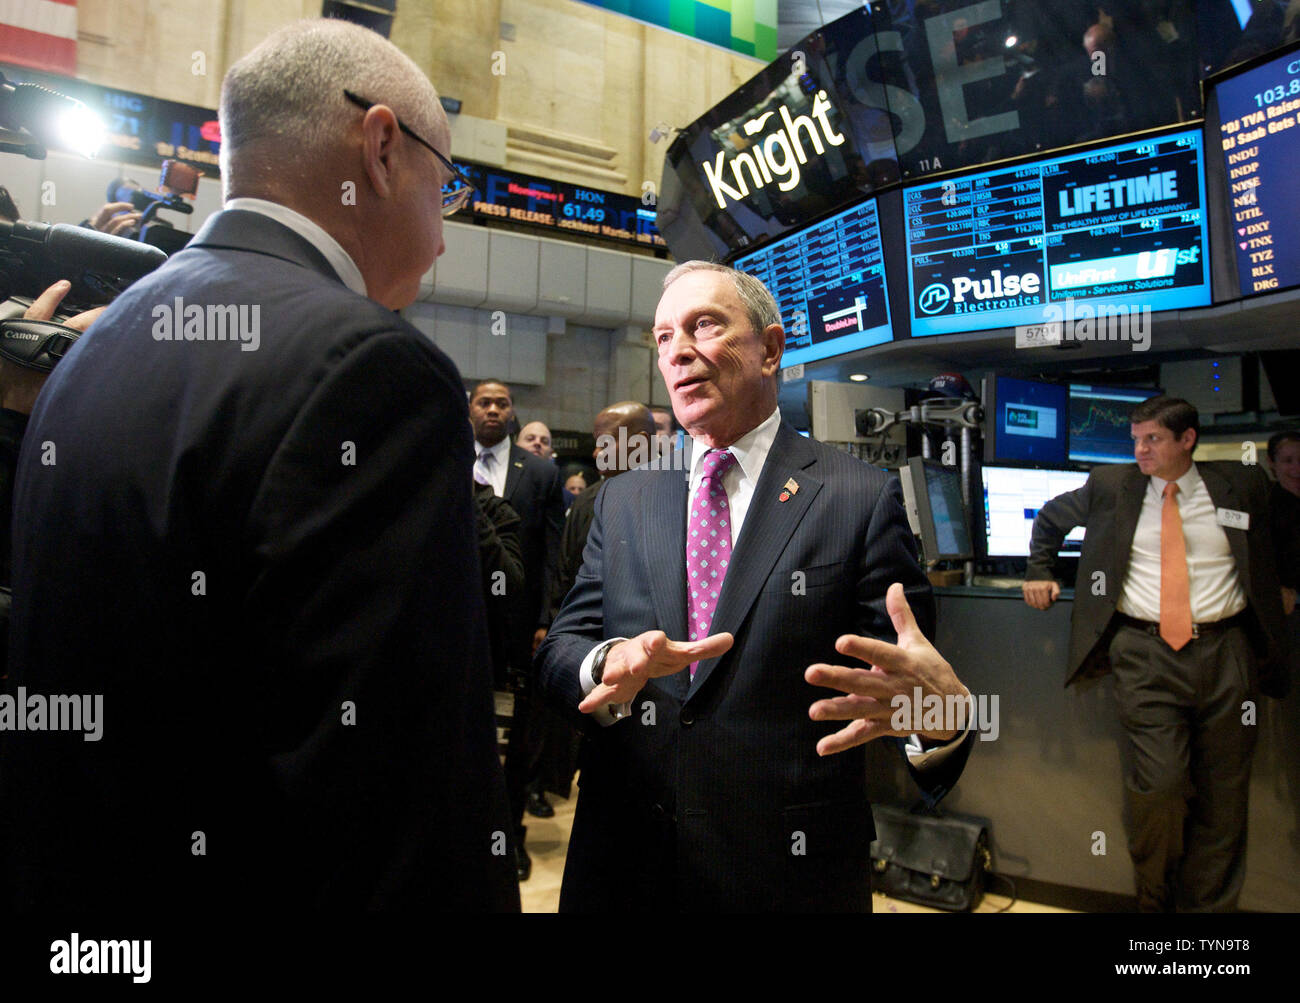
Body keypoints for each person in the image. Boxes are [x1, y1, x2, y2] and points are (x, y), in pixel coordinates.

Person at [0, 19, 518, 914]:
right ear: (384, 147)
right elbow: (405, 798)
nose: (442, 238)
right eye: (448, 187)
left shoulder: (92, 340)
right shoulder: (372, 365)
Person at [535, 262, 972, 912]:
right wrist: (604, 661)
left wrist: (945, 719)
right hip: (625, 861)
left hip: (787, 871)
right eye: (662, 337)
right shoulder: (624, 498)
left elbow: (903, 685)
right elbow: (562, 646)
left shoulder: (857, 497)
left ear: (770, 349)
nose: (677, 350)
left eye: (703, 324)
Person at [1023, 396, 1289, 912]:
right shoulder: (1112, 486)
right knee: (1161, 788)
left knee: (1225, 797)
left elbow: (1285, 530)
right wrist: (1039, 571)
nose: (1140, 450)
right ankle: (1155, 901)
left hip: (1226, 652)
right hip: (1144, 653)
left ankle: (1208, 914)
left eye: (1152, 440)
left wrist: (1290, 582)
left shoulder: (1243, 483)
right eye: (1136, 439)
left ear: (1187, 440)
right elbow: (1051, 518)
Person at [469, 379, 565, 875]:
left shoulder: (541, 473)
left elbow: (550, 552)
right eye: (483, 402)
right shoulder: (446, 466)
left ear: (511, 412)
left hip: (518, 623)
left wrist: (547, 618)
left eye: (501, 403)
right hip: (461, 626)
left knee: (518, 738)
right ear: (470, 411)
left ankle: (510, 838)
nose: (492, 409)